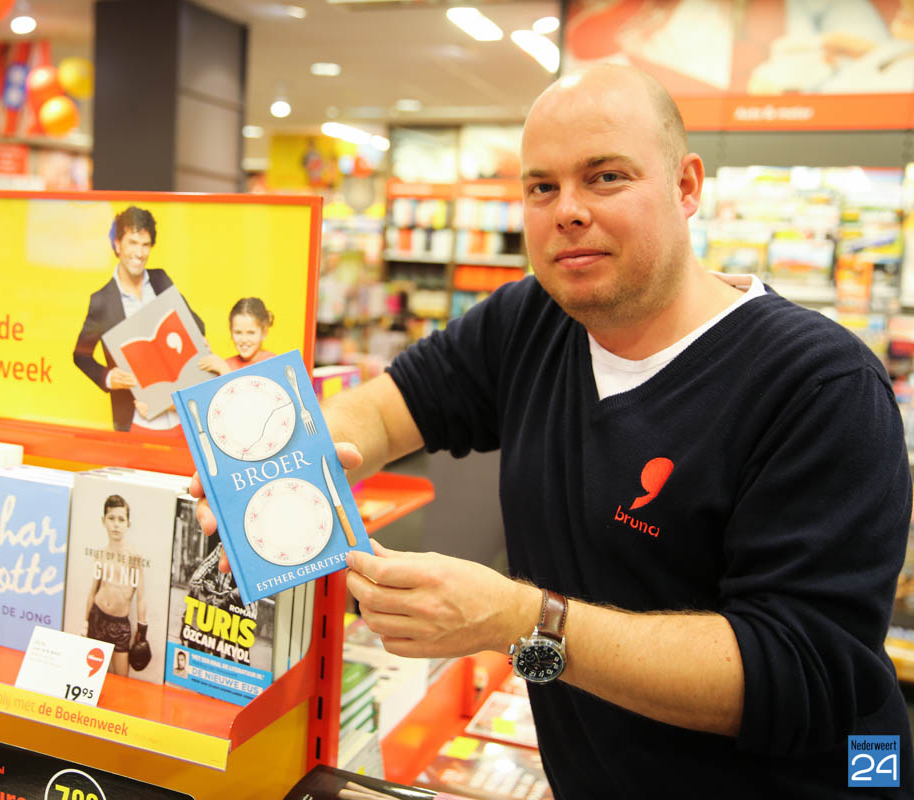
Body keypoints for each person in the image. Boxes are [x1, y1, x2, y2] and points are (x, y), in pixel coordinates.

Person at [192, 64, 913, 797]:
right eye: (542, 187)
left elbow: (803, 673)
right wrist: (263, 457)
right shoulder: (531, 320)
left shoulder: (820, 385)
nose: (567, 210)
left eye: (605, 177)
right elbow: (381, 409)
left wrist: (518, 621)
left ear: (687, 186)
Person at [73, 206, 206, 432]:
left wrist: (196, 338)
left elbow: (197, 324)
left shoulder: (161, 280)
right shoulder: (102, 300)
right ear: (117, 245)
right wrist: (108, 377)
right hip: (136, 418)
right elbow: (81, 355)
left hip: (179, 414)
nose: (140, 253)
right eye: (133, 243)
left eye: (145, 245)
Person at [82, 495, 149, 676]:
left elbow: (141, 597)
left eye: (121, 519)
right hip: (97, 616)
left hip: (119, 625)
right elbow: (93, 591)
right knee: (92, 676)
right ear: (103, 521)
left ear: (128, 524)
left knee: (121, 678)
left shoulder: (134, 557)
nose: (116, 524)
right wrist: (85, 622)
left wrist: (142, 631)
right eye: (111, 518)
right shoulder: (101, 554)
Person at [198, 297, 276, 375]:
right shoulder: (226, 364)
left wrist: (224, 370)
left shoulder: (272, 362)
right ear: (231, 331)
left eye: (251, 333)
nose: (244, 340)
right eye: (238, 332)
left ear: (264, 333)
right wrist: (205, 353)